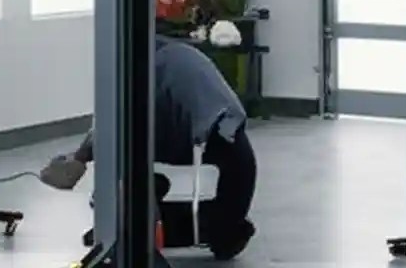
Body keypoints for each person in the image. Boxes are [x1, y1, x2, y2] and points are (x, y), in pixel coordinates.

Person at [40, 35, 256, 260]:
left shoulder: (162, 70)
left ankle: (144, 215)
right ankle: (146, 212)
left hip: (201, 124)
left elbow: (112, 125)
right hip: (198, 122)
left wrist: (80, 158)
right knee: (234, 177)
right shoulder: (159, 66)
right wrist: (81, 157)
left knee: (234, 173)